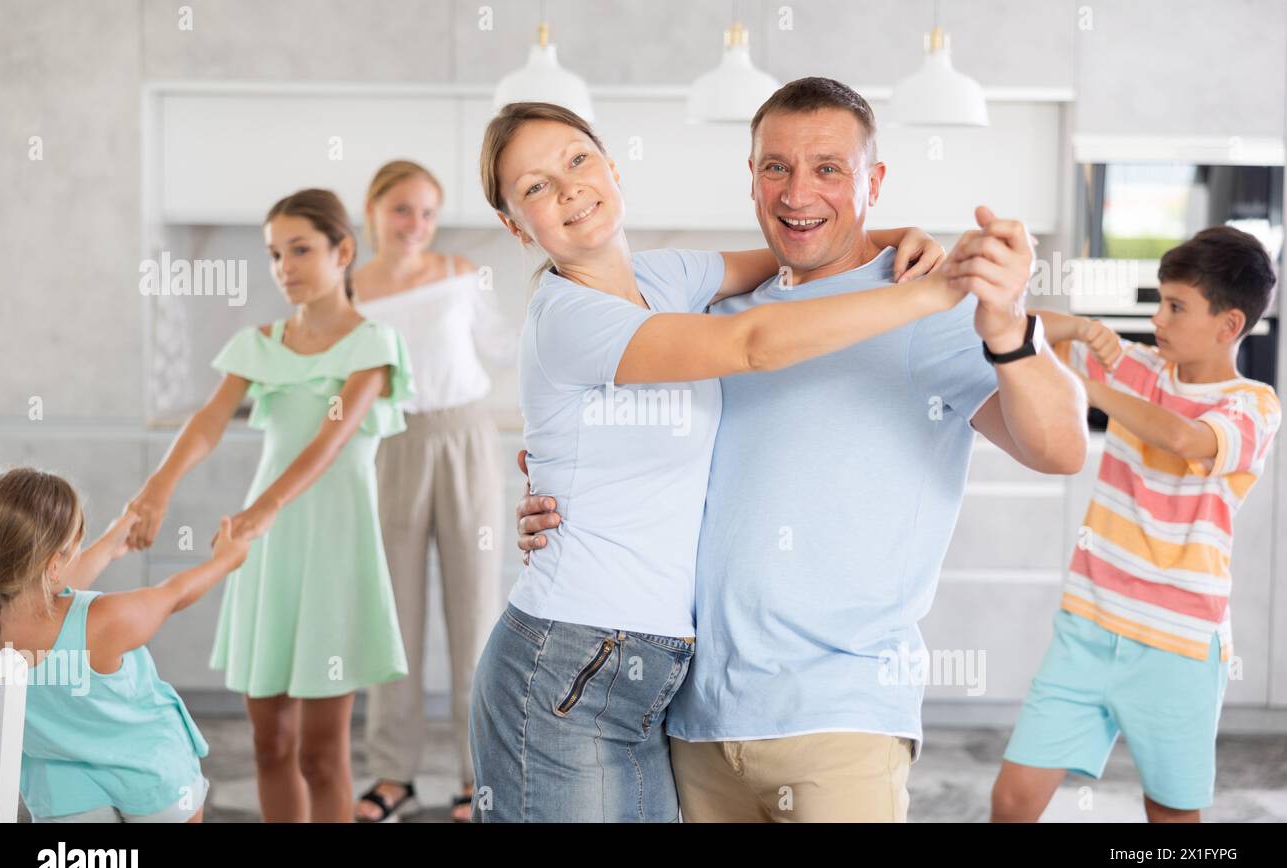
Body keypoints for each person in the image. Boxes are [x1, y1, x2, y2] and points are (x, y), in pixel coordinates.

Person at [514, 76, 1089, 822]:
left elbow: (1061, 448)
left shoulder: (933, 309)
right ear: (751, 178)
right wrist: (557, 491)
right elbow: (630, 435)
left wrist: (1009, 327)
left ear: (872, 181)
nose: (797, 192)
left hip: (841, 719)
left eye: (828, 168)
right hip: (696, 721)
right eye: (776, 167)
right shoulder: (714, 312)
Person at [124, 189, 416, 822]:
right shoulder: (259, 343)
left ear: (343, 250)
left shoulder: (374, 344)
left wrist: (266, 508)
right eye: (274, 254)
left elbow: (330, 438)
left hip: (333, 548)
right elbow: (206, 421)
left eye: (300, 250)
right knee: (270, 741)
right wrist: (157, 488)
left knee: (321, 754)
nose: (285, 266)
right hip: (266, 549)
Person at [993, 226, 1281, 823]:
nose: (1159, 318)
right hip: (1088, 627)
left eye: (1176, 306)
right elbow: (1015, 330)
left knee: (1170, 817)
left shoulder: (1254, 404)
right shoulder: (1140, 368)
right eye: (1160, 301)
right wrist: (1079, 329)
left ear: (1229, 325)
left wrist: (1089, 384)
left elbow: (1180, 437)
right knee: (1013, 801)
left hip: (1176, 647)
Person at [352, 160, 516, 824]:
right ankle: (393, 775)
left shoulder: (459, 277)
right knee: (393, 615)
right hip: (389, 444)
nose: (414, 225)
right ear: (373, 211)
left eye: (426, 212)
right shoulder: (350, 289)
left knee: (475, 610)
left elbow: (503, 348)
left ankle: (480, 780)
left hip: (467, 439)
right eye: (401, 209)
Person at [0, 466, 248, 823]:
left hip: (63, 794)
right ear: (54, 565)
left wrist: (111, 542)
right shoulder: (107, 619)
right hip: (152, 776)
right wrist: (225, 561)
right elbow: (173, 595)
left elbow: (39, 591)